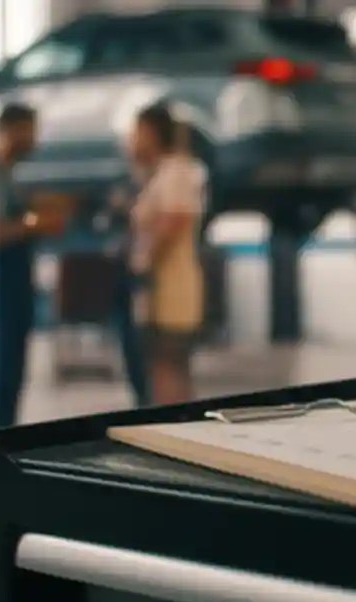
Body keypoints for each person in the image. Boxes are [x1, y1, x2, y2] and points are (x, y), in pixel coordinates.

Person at [0, 103, 64, 427]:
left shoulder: (9, 172)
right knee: (2, 371)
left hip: (16, 275)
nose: (33, 139)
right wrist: (33, 227)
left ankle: (4, 440)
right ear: (11, 129)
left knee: (13, 372)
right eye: (29, 130)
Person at [127, 103, 205, 404]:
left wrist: (145, 262)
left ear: (151, 131)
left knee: (168, 369)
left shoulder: (176, 171)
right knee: (161, 369)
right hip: (159, 288)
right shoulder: (160, 172)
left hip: (172, 286)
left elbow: (174, 220)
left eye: (136, 132)